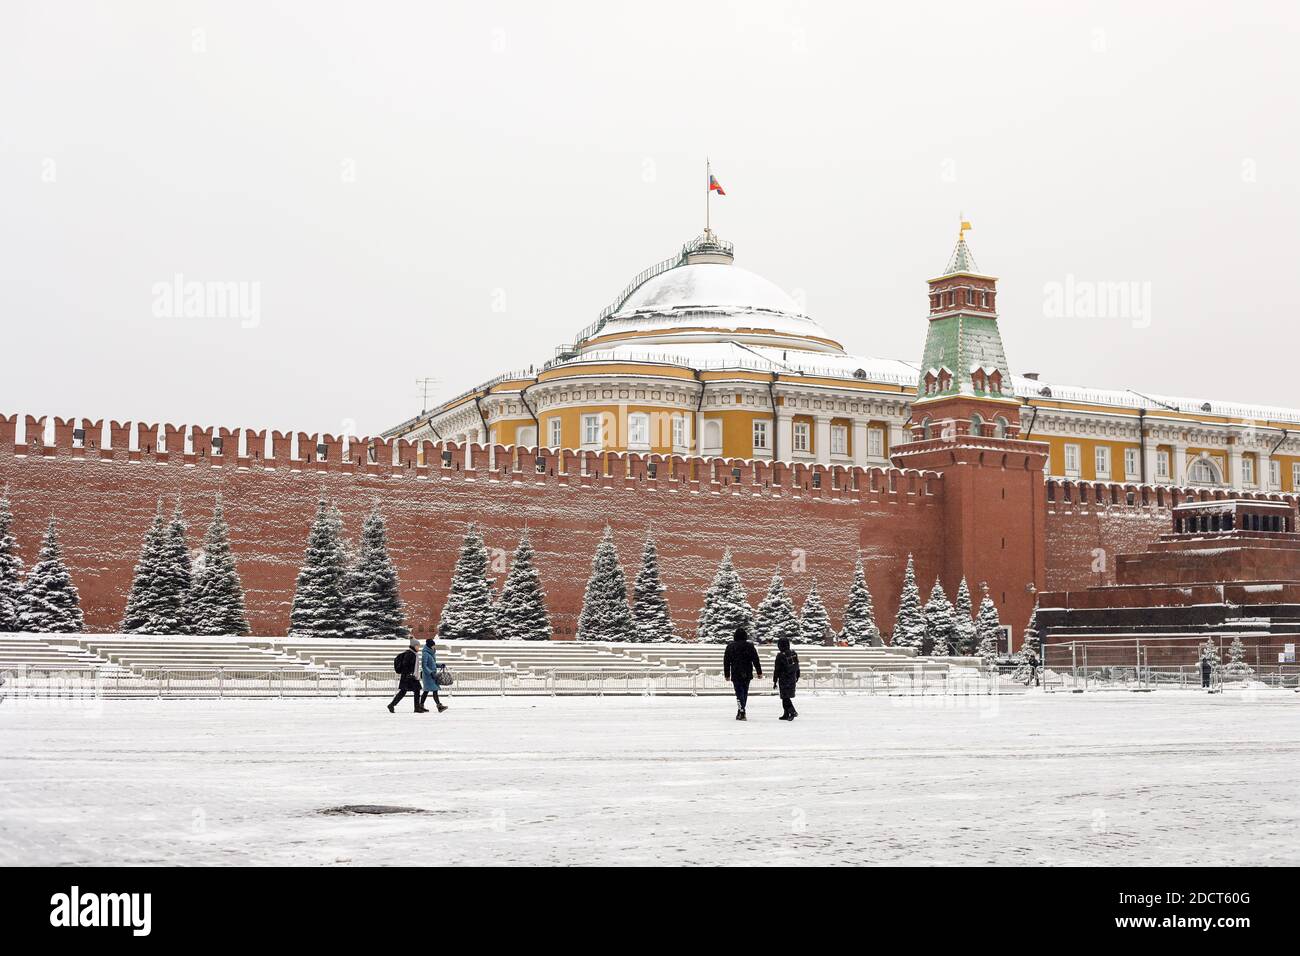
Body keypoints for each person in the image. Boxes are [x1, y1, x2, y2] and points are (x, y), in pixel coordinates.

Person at [722, 626, 762, 720]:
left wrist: (727, 674)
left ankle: (741, 710)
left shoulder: (730, 646)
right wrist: (759, 672)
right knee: (744, 692)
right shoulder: (750, 646)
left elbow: (726, 661)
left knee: (739, 692)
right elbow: (756, 659)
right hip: (747, 671)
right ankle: (742, 710)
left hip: (736, 672)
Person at [388, 637, 426, 713]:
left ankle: (391, 705)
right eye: (418, 646)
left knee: (404, 691)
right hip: (408, 677)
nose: (419, 647)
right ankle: (416, 708)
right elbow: (405, 664)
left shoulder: (413, 653)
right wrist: (410, 673)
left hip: (409, 676)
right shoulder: (410, 654)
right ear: (414, 646)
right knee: (414, 690)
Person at [773, 636, 801, 720]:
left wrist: (775, 681)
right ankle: (786, 713)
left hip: (783, 678)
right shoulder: (793, 653)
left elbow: (777, 669)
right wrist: (797, 675)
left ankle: (792, 711)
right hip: (792, 677)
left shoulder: (780, 656)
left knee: (785, 697)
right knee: (785, 696)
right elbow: (797, 665)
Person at [419, 637, 448, 713]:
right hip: (428, 676)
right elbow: (424, 666)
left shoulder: (431, 653)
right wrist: (430, 672)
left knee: (426, 691)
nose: (434, 647)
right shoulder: (425, 654)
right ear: (429, 646)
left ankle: (421, 706)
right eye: (433, 645)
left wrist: (440, 665)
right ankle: (439, 706)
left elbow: (433, 664)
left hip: (432, 675)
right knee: (434, 690)